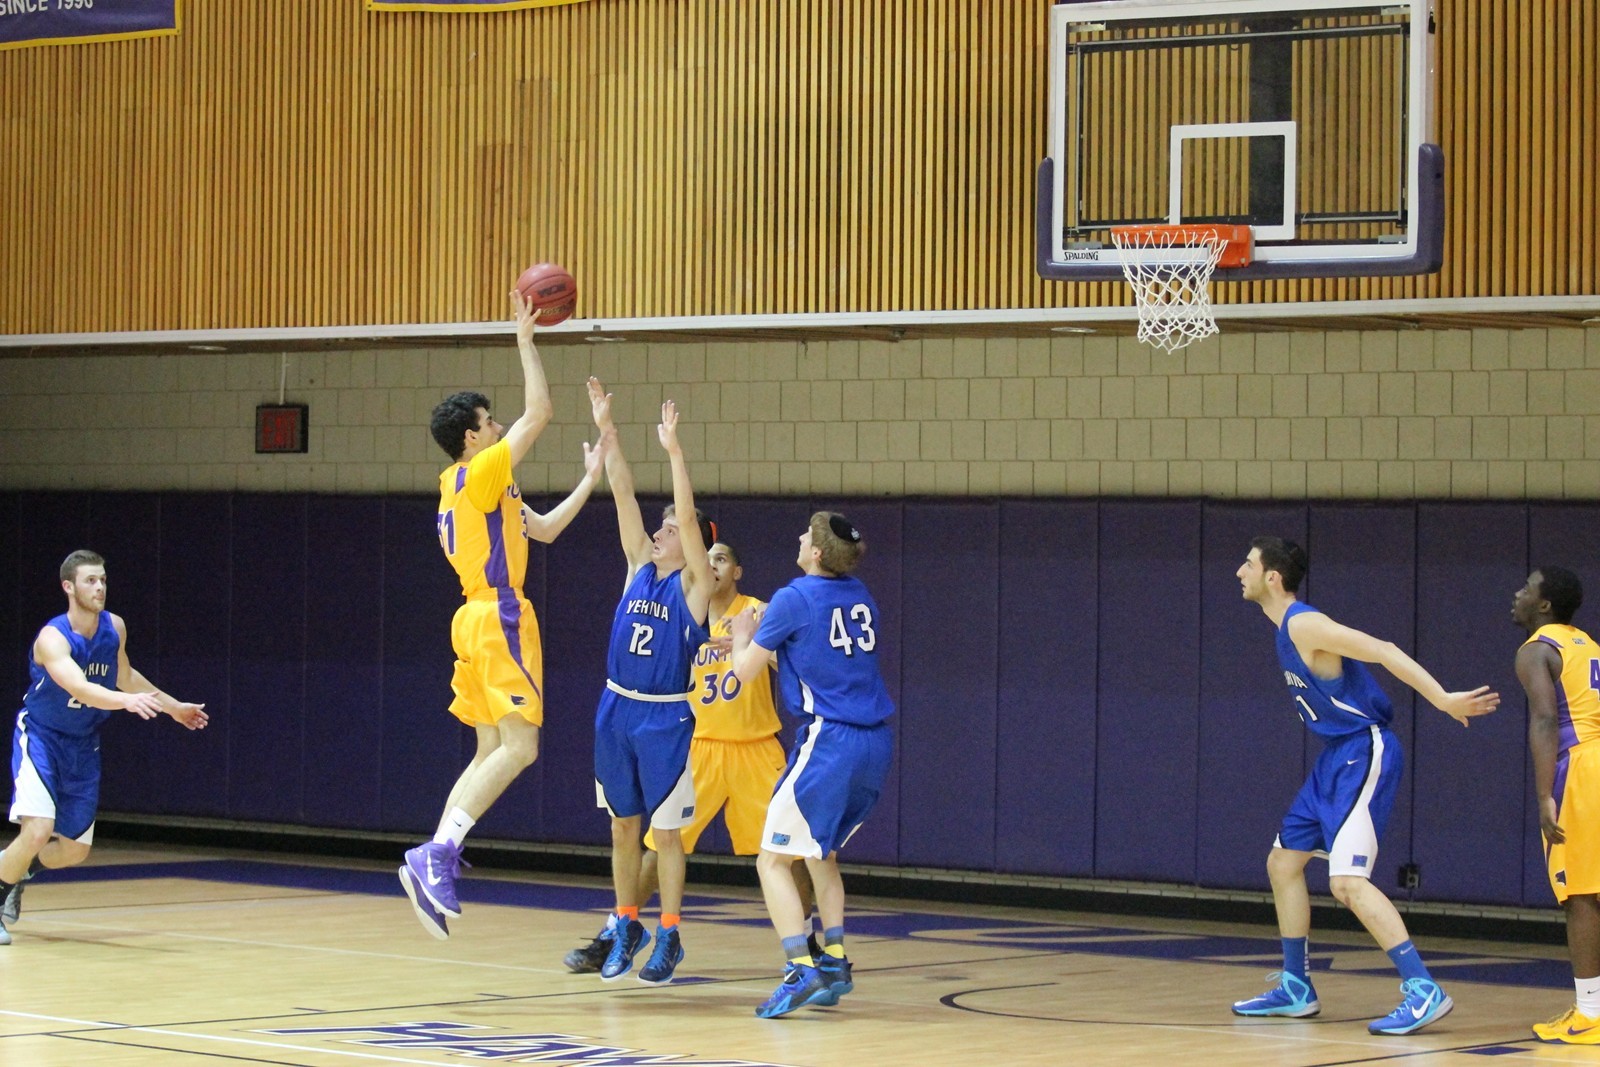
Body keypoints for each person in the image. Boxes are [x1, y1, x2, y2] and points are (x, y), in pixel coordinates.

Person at [399, 292, 612, 940]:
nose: (498, 430)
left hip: (473, 617)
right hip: (500, 615)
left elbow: (542, 530)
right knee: (522, 746)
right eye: (490, 424)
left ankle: (437, 850)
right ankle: (435, 852)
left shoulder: (466, 490)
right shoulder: (480, 472)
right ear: (472, 436)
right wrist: (526, 338)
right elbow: (542, 410)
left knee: (494, 746)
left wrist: (591, 477)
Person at [1231, 536, 1499, 1035]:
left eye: (1248, 564)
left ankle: (1424, 990)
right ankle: (1296, 986)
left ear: (1273, 577)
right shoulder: (1283, 630)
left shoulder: (1304, 623)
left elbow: (1384, 650)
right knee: (1283, 863)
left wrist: (1442, 700)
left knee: (1347, 882)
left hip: (1364, 750)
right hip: (1336, 757)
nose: (1238, 572)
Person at [562, 541, 818, 972]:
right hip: (697, 744)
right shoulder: (679, 609)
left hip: (754, 747)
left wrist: (758, 636)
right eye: (708, 557)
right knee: (658, 846)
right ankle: (616, 930)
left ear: (737, 571)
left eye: (722, 559)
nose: (713, 564)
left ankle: (805, 943)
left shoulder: (757, 611)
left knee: (786, 852)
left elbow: (785, 658)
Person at [572, 378, 712, 985]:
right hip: (617, 709)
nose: (660, 531)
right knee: (621, 825)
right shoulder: (637, 568)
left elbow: (684, 511)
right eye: (659, 528)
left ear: (695, 545)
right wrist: (608, 428)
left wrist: (675, 452)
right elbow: (623, 492)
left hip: (665, 717)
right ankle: (625, 920)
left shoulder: (694, 587)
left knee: (667, 832)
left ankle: (670, 932)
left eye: (672, 529)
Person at [731, 512, 895, 1019]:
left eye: (806, 535)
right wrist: (769, 645)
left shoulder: (792, 598)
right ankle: (838, 960)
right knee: (818, 853)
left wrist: (742, 635)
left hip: (831, 742)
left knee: (772, 859)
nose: (799, 538)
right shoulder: (859, 593)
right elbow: (819, 659)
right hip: (875, 741)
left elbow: (741, 674)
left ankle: (800, 966)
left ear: (817, 554)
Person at [0, 549, 208, 946]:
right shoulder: (52, 637)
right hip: (43, 737)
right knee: (38, 831)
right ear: (69, 586)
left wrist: (173, 707)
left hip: (82, 744)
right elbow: (80, 688)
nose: (99, 587)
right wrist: (124, 702)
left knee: (75, 851)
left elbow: (125, 676)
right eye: (90, 581)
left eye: (103, 580)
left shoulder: (115, 627)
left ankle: (17, 870)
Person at [1511, 566, 1600, 1045]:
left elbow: (1546, 721)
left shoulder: (1536, 649)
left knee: (1581, 896)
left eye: (1527, 588)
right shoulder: (1586, 645)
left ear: (1544, 605)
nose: (1518, 594)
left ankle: (1590, 1014)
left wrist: (1546, 795)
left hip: (1581, 769)